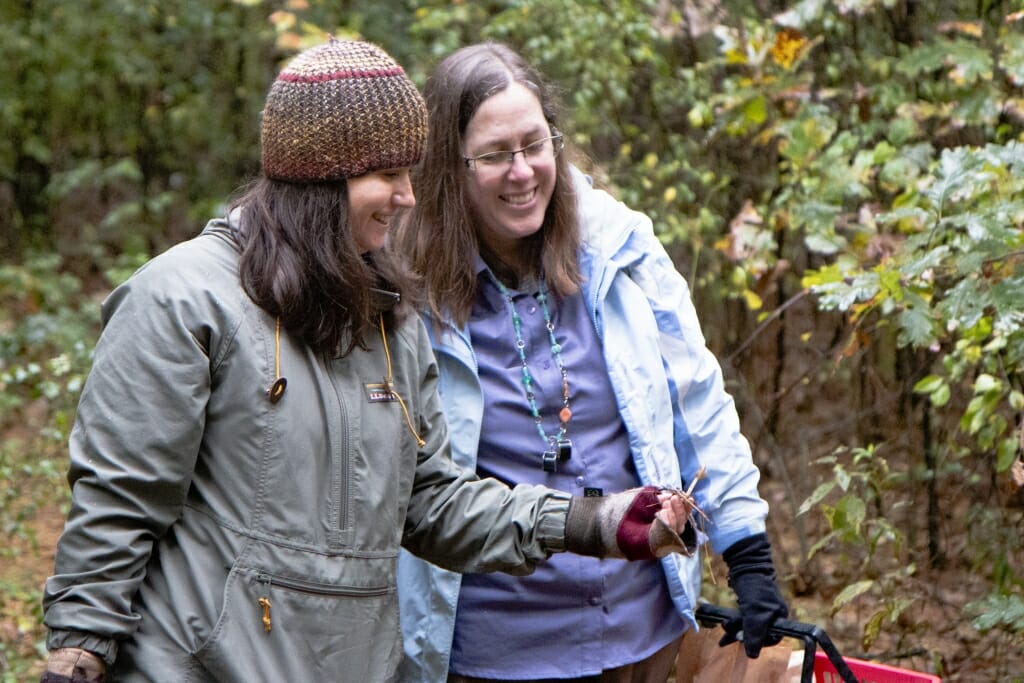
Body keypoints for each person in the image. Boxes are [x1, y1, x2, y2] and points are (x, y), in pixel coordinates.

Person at [37, 38, 698, 683]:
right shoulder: (183, 298)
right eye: (388, 175)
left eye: (410, 172)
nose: (409, 195)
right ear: (322, 180)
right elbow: (121, 499)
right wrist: (79, 651)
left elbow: (432, 502)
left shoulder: (388, 316)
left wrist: (591, 521)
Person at [394, 42, 789, 683]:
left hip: (640, 632)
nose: (521, 171)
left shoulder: (616, 246)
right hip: (494, 650)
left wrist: (746, 552)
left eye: (535, 144)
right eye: (494, 155)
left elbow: (693, 399)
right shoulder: (412, 289)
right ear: (450, 166)